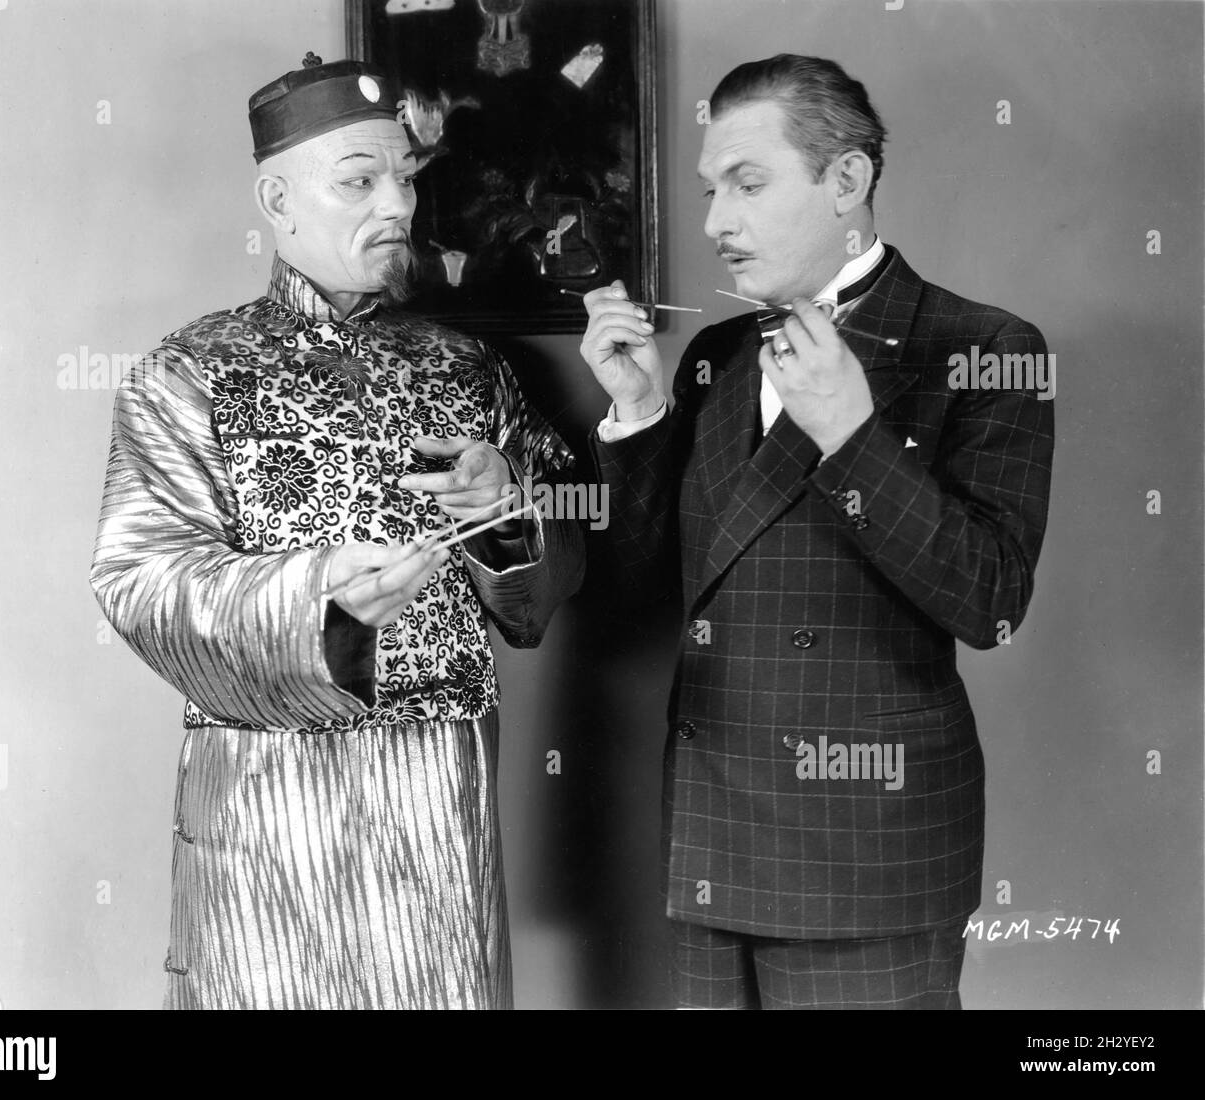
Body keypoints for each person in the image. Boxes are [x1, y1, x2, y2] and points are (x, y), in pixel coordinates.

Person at [90, 53, 583, 1010]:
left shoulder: (467, 369)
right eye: (359, 180)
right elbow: (141, 581)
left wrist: (503, 516)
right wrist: (324, 601)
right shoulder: (189, 372)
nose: (396, 204)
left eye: (403, 176)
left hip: (438, 791)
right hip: (270, 800)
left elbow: (550, 588)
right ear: (278, 200)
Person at [579, 54, 1053, 1009]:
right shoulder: (714, 355)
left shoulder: (986, 349)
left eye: (748, 184)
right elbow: (634, 593)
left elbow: (991, 601)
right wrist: (636, 414)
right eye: (712, 188)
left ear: (847, 180)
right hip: (710, 838)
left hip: (866, 851)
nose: (715, 221)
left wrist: (852, 436)